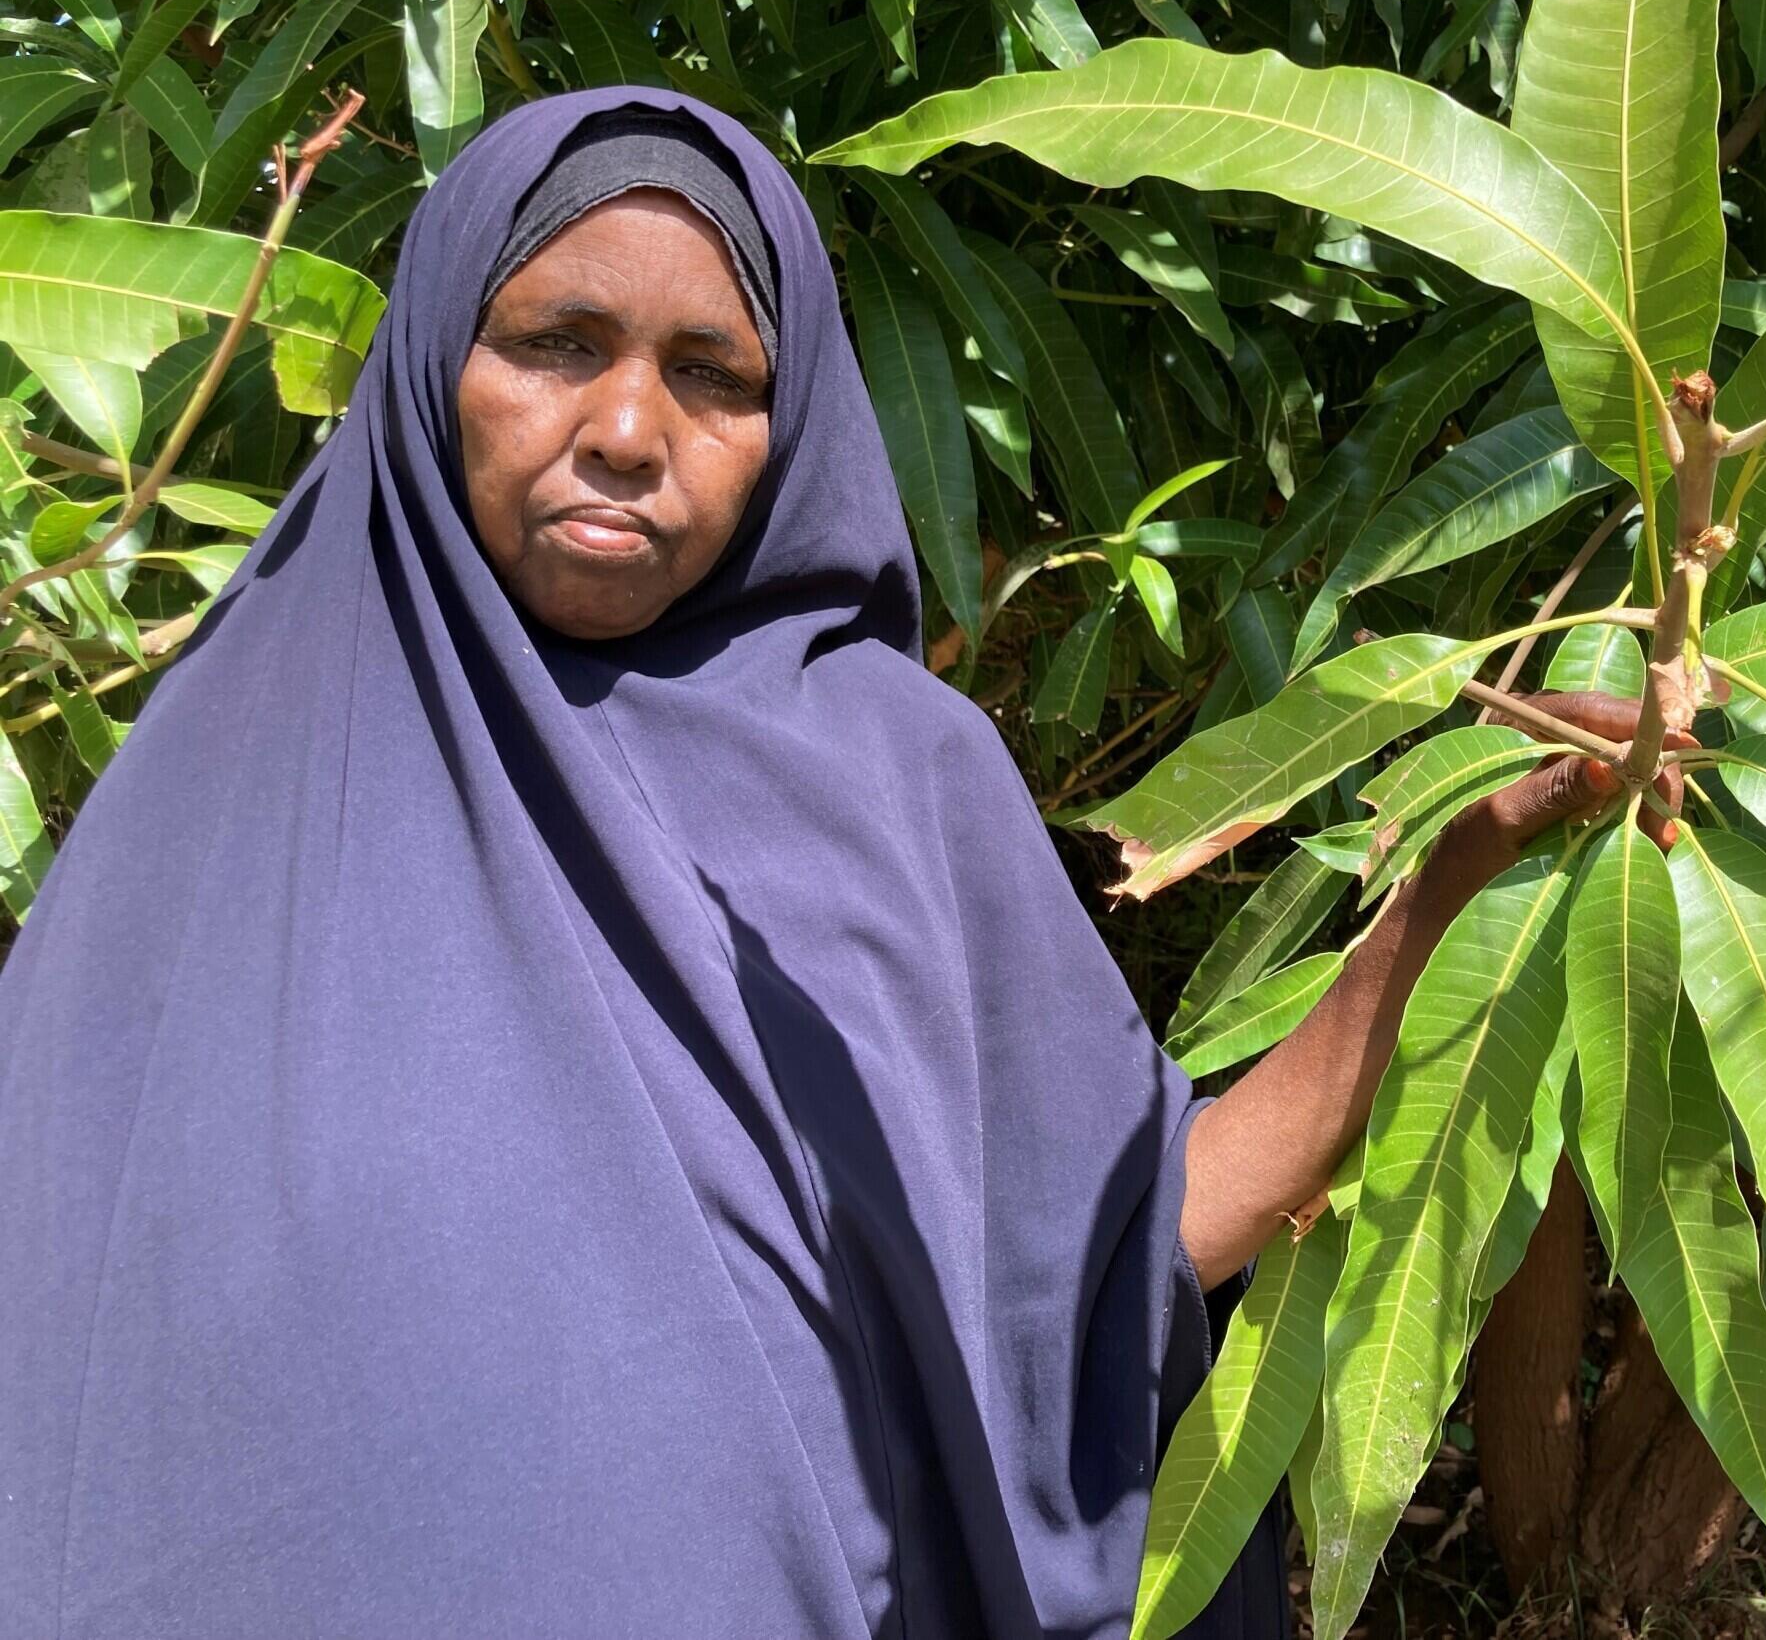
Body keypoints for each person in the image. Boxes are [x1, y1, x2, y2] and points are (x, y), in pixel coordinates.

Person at [0, 90, 1655, 1636]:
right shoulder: (233, 789)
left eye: (713, 373)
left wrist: (1439, 895)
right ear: (438, 357)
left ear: (792, 422)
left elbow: (1105, 1268)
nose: (629, 428)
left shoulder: (894, 776)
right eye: (555, 342)